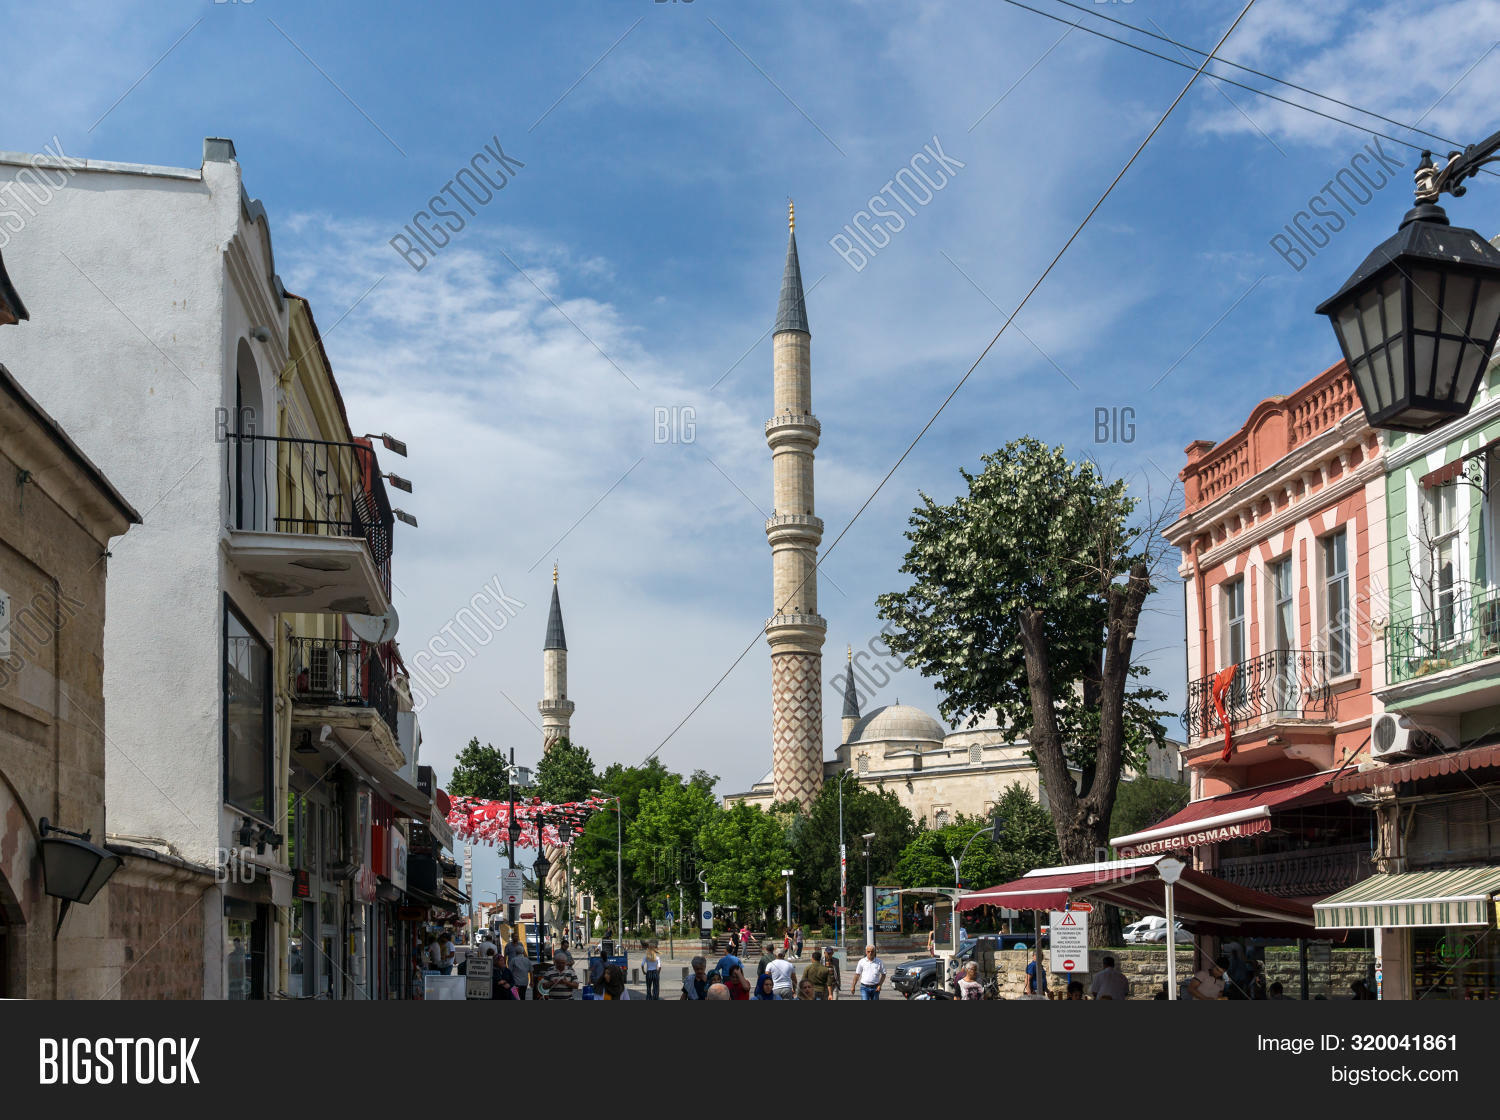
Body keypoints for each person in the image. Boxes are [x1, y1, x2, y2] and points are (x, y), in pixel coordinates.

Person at [506, 932, 532, 999]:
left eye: (517, 936)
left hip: (519, 973)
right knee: (516, 994)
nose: (516, 938)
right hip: (513, 968)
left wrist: (526, 959)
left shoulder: (520, 944)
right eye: (515, 936)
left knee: (520, 995)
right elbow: (505, 956)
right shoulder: (508, 945)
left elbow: (524, 952)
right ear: (512, 937)